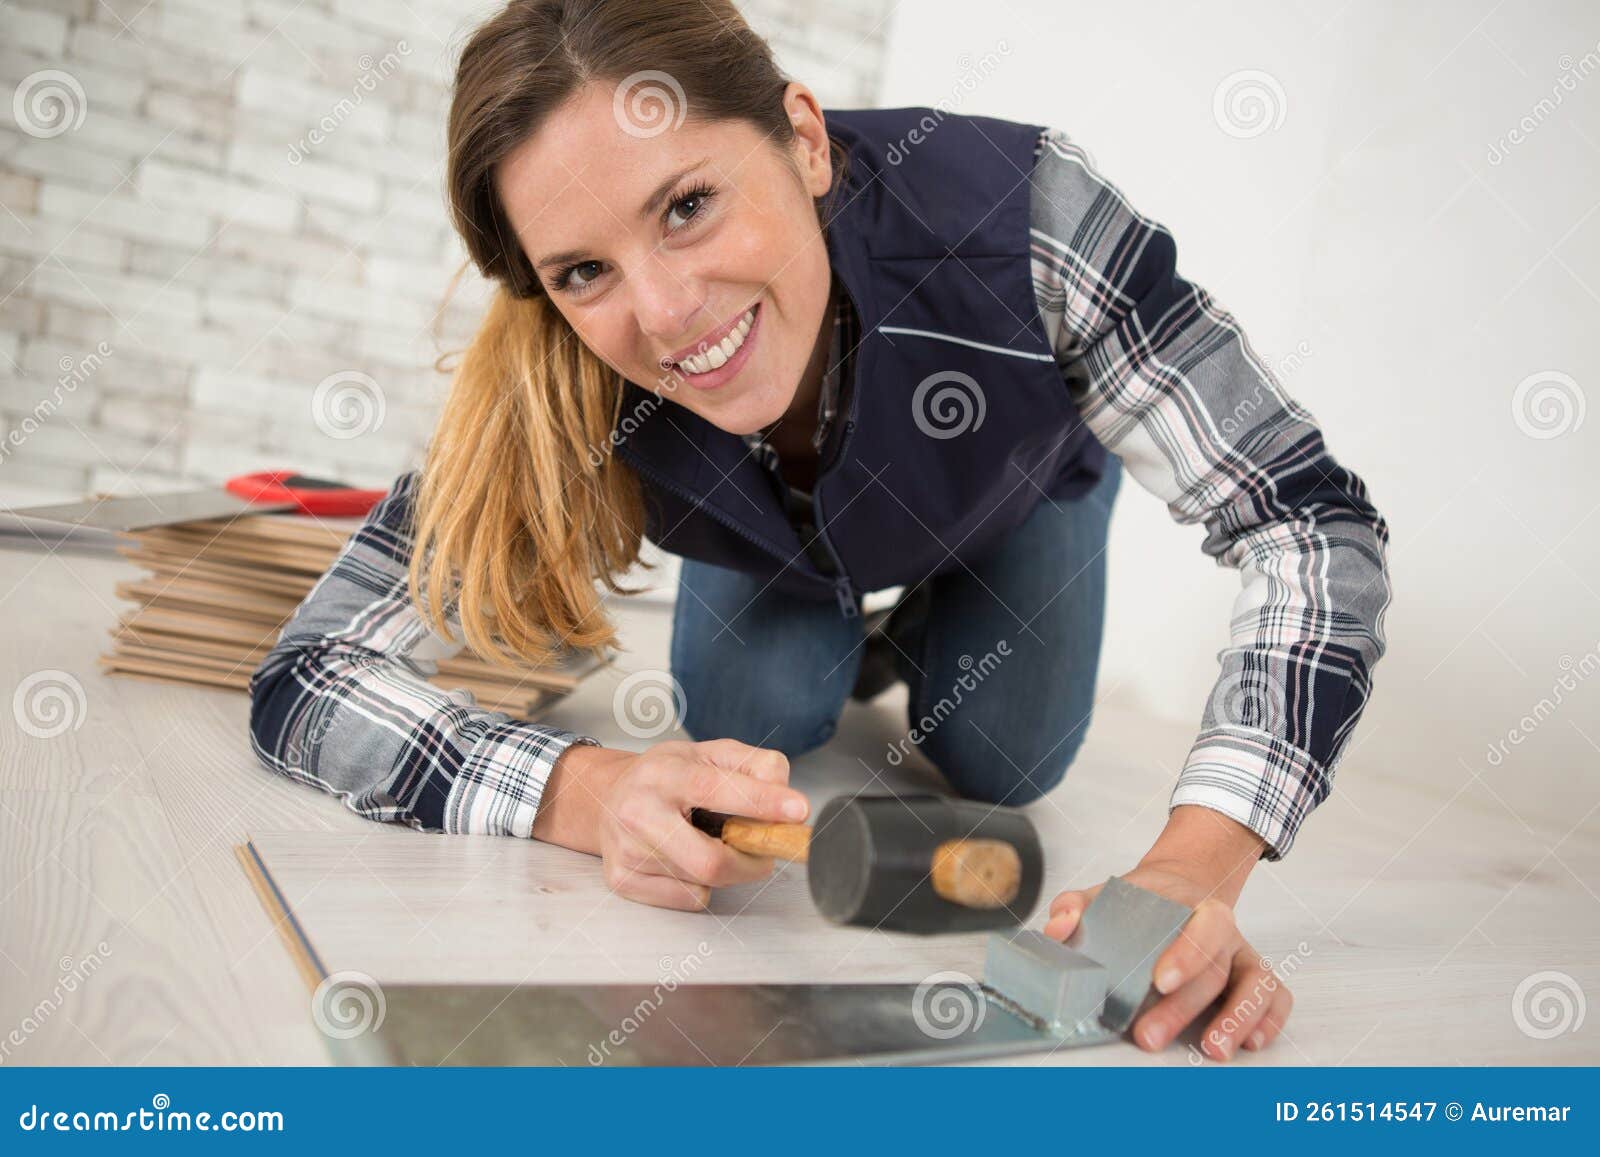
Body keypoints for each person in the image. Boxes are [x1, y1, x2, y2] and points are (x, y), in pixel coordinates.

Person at [249, 0, 1391, 1062]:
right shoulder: (559, 369)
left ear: (801, 137)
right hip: (774, 540)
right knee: (750, 720)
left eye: (686, 205)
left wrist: (1198, 864)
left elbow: (1307, 520)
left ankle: (931, 609)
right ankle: (850, 632)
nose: (665, 315)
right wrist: (585, 791)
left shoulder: (1027, 214)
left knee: (1006, 759)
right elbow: (307, 674)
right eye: (584, 270)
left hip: (1012, 488)